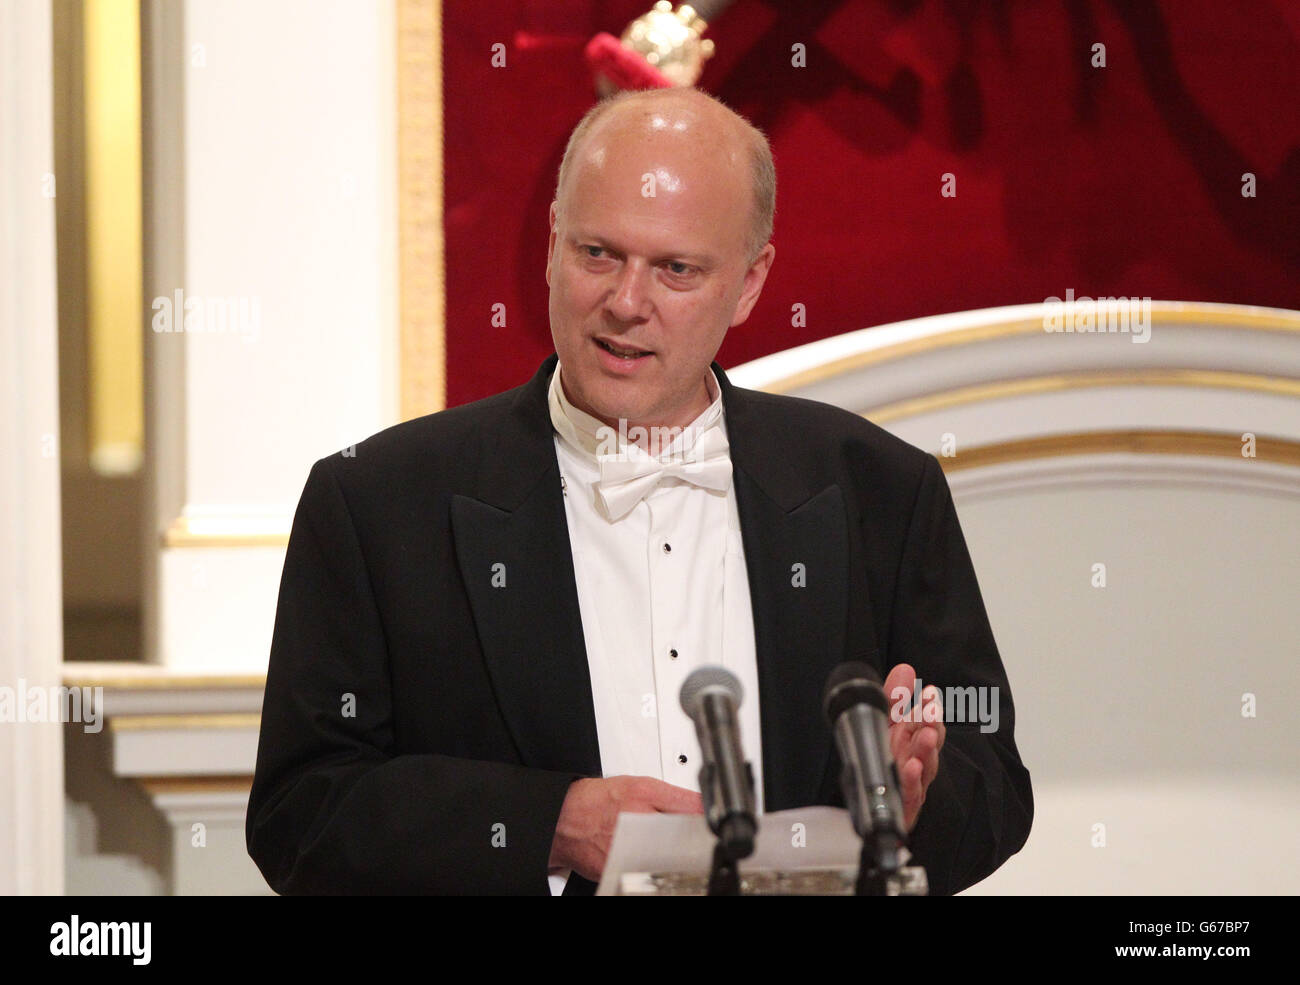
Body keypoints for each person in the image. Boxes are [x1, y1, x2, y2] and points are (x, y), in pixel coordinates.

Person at [246, 86, 1033, 896]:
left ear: (752, 282)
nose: (626, 303)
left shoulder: (883, 491)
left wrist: (910, 805)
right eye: (598, 254)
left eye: (676, 269)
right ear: (552, 243)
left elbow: (996, 788)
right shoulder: (376, 503)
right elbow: (300, 815)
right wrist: (552, 823)